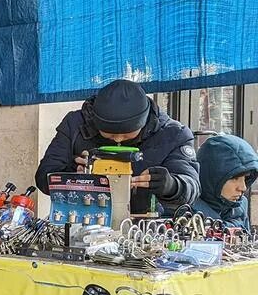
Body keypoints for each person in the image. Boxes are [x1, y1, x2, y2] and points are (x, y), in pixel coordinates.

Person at [35, 79, 199, 212]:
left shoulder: (174, 135)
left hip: (145, 227)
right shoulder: (75, 125)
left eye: (127, 134)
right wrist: (73, 176)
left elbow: (192, 187)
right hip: (83, 219)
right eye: (109, 134)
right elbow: (43, 177)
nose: (117, 140)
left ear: (143, 122)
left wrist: (171, 185)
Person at [193, 135, 258, 228]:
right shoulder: (183, 210)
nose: (243, 188)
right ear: (212, 176)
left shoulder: (240, 206)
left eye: (246, 178)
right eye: (235, 178)